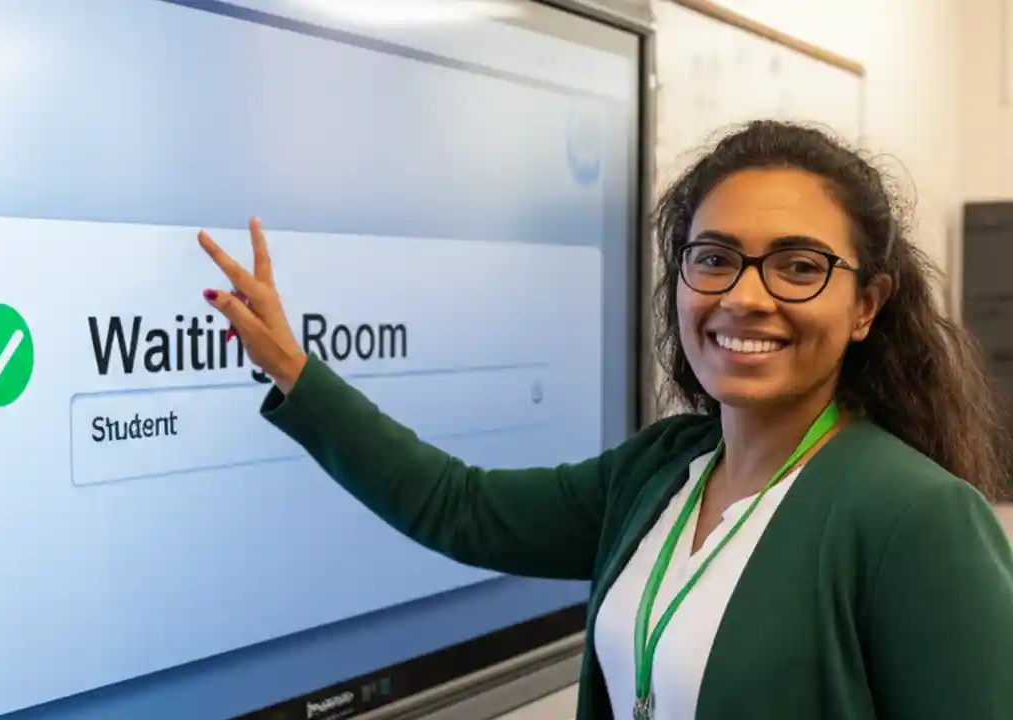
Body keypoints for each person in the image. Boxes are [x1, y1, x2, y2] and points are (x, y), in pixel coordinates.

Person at [196, 120, 1013, 719]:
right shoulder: (663, 470)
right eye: (715, 257)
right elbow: (460, 507)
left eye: (798, 266)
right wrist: (296, 372)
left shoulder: (915, 517)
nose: (745, 295)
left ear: (866, 304)